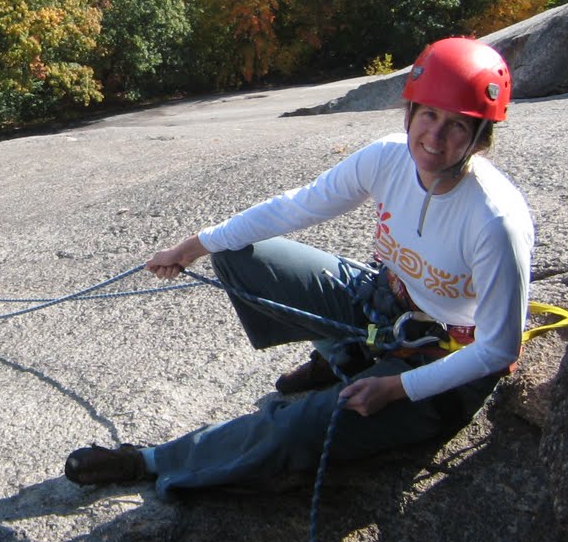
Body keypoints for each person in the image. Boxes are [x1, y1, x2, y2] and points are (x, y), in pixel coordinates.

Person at [65, 38, 535, 494]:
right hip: (385, 306)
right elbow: (297, 207)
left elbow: (497, 351)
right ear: (410, 111)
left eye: (457, 124)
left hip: (445, 355)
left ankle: (148, 461)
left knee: (296, 430)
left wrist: (398, 388)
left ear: (479, 136)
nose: (434, 136)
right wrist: (193, 247)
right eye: (428, 113)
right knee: (238, 254)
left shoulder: (494, 221)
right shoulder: (388, 158)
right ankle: (344, 358)